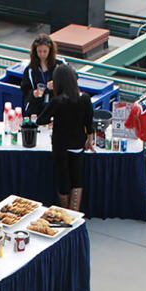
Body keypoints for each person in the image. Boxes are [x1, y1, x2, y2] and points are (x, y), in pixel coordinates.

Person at [35, 63, 95, 211]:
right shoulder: (85, 98)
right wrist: (89, 140)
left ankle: (64, 212)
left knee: (63, 178)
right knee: (77, 179)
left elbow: (40, 120)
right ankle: (74, 212)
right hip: (77, 144)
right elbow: (89, 123)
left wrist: (53, 119)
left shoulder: (57, 101)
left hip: (60, 146)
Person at [20, 34, 62, 116]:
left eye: (45, 51)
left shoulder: (59, 64)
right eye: (39, 51)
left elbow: (73, 76)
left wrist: (56, 83)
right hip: (37, 108)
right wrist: (34, 93)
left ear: (50, 50)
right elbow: (25, 89)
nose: (42, 54)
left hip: (56, 106)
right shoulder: (30, 69)